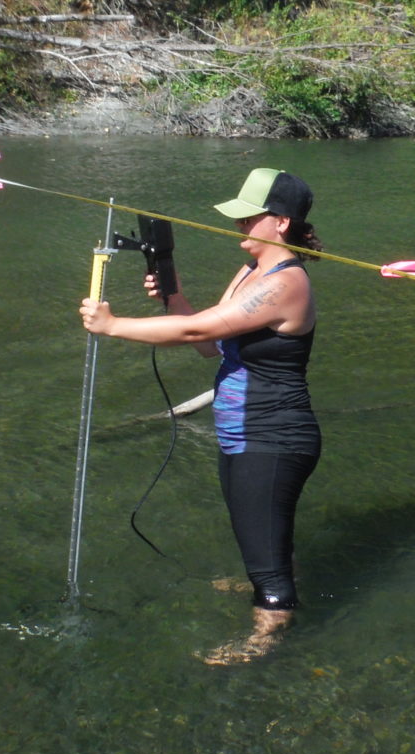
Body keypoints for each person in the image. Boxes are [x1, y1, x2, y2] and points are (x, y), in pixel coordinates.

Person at [80, 168, 321, 665]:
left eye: (248, 217)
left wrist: (113, 326)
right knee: (259, 534)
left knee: (267, 559)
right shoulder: (251, 272)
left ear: (280, 222)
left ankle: (267, 640)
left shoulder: (288, 282)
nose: (239, 226)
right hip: (241, 432)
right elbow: (212, 343)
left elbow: (193, 334)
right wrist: (173, 294)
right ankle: (271, 573)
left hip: (274, 435)